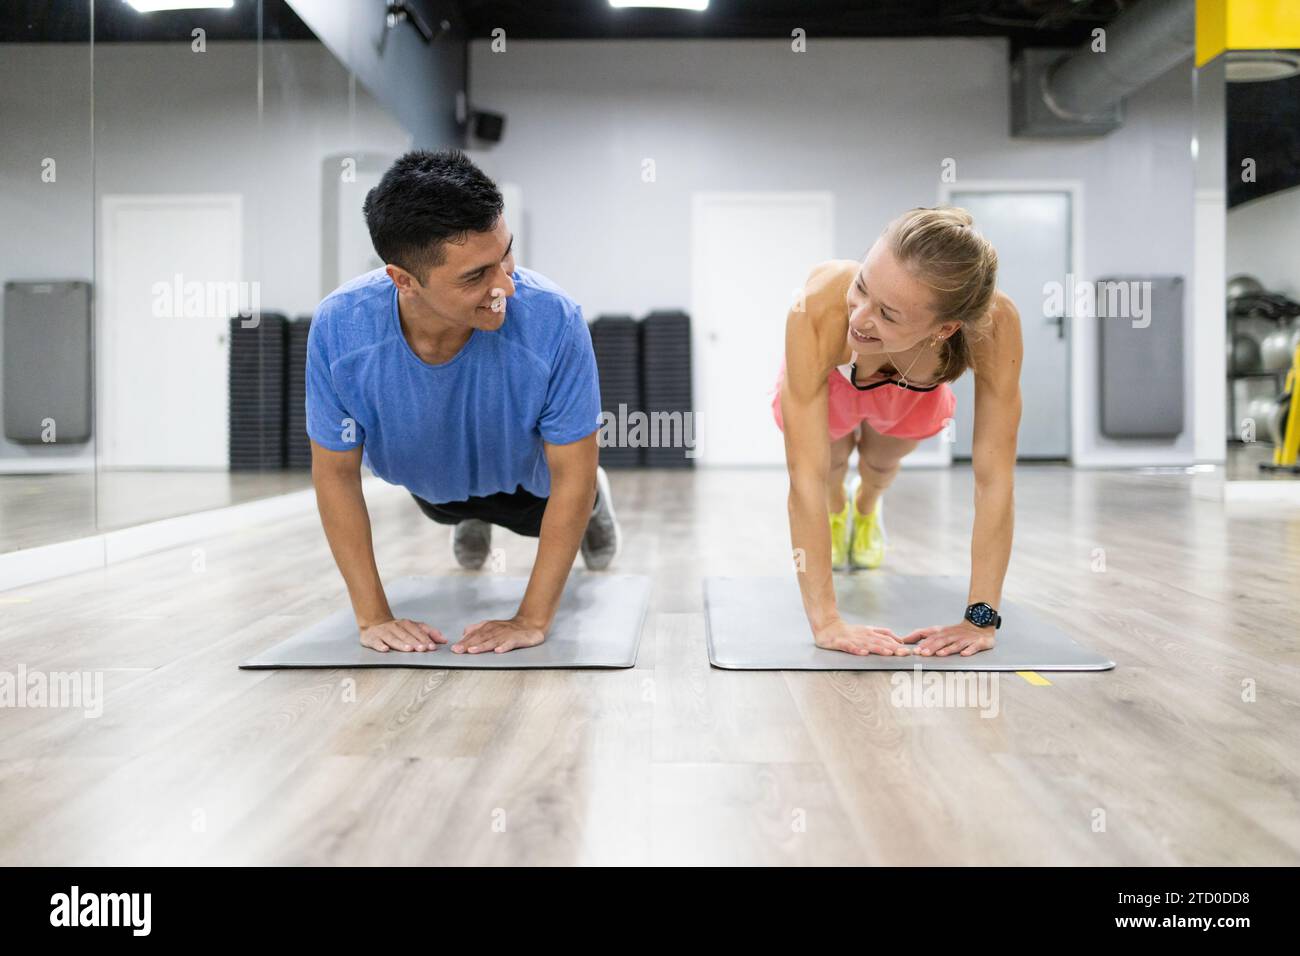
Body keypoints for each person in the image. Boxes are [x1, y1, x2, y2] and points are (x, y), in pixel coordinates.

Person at [306, 149, 620, 656]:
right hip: (436, 489)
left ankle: (599, 503)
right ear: (403, 280)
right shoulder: (341, 328)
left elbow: (571, 477)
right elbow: (336, 474)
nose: (505, 287)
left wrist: (531, 619)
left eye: (506, 255)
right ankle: (470, 514)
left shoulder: (555, 320)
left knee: (576, 492)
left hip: (531, 490)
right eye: (476, 276)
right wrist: (372, 618)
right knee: (448, 508)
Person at [772, 206, 1022, 658]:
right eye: (862, 286)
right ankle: (839, 506)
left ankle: (866, 507)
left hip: (914, 394)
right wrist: (827, 622)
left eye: (887, 313)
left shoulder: (994, 324)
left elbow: (994, 479)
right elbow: (801, 477)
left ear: (945, 328)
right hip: (830, 385)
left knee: (880, 465)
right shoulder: (819, 307)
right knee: (826, 471)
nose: (860, 319)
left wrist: (980, 619)